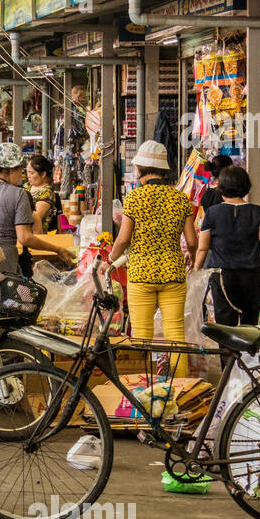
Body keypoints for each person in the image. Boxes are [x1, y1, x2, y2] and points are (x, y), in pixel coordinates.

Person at [107, 140, 198, 376]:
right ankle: (181, 389)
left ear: (139, 169)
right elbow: (193, 241)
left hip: (141, 274)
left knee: (142, 335)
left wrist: (110, 259)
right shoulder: (180, 198)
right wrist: (191, 255)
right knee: (176, 334)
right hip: (173, 273)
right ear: (163, 170)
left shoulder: (135, 198)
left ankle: (141, 389)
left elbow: (124, 239)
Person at [0, 144, 73, 276]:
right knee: (6, 296)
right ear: (10, 169)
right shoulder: (18, 194)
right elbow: (25, 238)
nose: (22, 175)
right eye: (20, 169)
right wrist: (57, 249)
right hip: (4, 262)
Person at [193, 165, 260, 326]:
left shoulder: (212, 213)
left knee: (225, 327)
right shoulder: (258, 212)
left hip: (222, 276)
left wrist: (195, 273)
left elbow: (203, 248)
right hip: (251, 276)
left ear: (222, 188)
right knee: (249, 325)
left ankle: (228, 351)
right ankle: (247, 351)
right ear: (246, 186)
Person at [26, 154, 60, 235]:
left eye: (31, 173)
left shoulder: (47, 193)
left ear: (43, 174)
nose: (28, 176)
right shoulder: (27, 186)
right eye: (27, 172)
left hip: (35, 237)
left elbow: (34, 217)